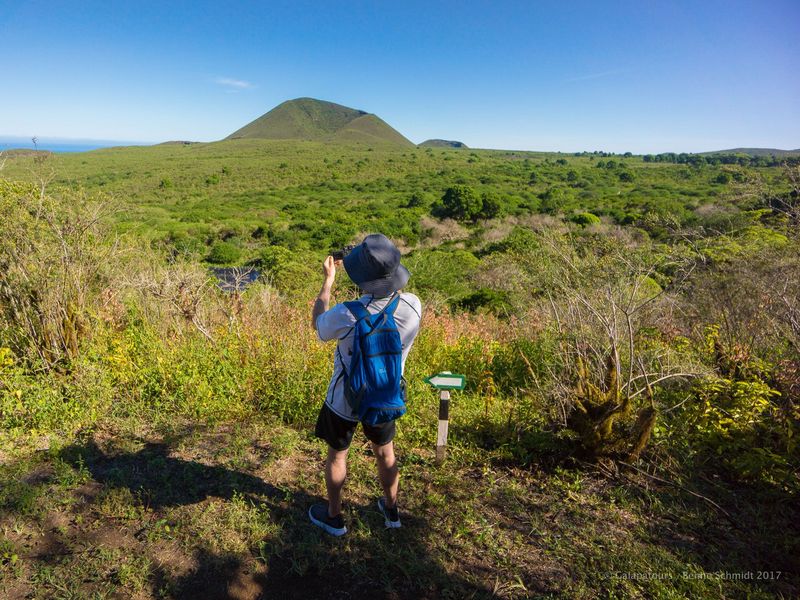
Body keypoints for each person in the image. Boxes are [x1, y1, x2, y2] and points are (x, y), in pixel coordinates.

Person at [308, 234, 422, 536]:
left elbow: (318, 326)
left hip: (344, 398)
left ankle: (334, 517)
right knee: (386, 454)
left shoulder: (346, 313)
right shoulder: (413, 306)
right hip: (385, 394)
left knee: (337, 455)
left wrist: (328, 283)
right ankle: (392, 510)